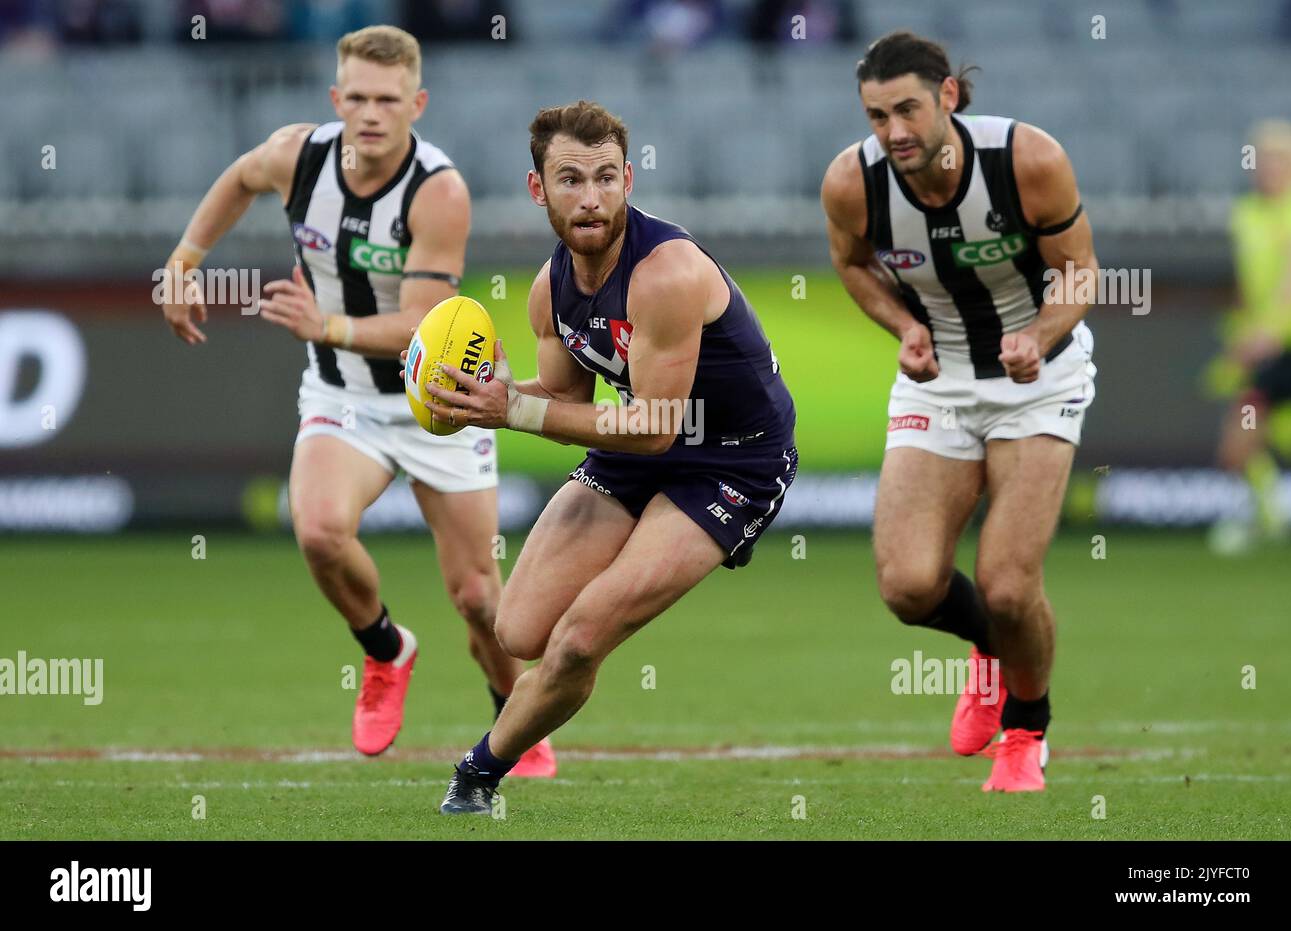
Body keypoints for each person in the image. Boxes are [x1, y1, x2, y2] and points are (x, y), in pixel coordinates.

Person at [160, 24, 554, 776]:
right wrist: (184, 258)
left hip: (439, 403)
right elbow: (239, 179)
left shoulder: (439, 192)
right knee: (317, 530)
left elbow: (418, 326)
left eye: (389, 100)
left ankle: (514, 718)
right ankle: (385, 649)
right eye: (359, 99)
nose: (372, 114)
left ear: (418, 103)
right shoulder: (297, 156)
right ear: (336, 99)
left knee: (478, 599)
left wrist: (327, 324)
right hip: (344, 397)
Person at [424, 100, 798, 814]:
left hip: (732, 462)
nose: (590, 197)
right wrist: (487, 396)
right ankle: (510, 738)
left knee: (575, 642)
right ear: (538, 189)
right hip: (635, 445)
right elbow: (564, 396)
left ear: (629, 178)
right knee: (517, 629)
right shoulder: (550, 288)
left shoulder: (667, 272)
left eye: (605, 178)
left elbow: (655, 423)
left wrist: (516, 411)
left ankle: (477, 773)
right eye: (569, 180)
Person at [821, 31, 1099, 792]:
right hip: (938, 380)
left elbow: (1080, 271)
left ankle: (1025, 729)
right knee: (909, 586)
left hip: (1038, 380)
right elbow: (850, 264)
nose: (894, 132)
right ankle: (989, 647)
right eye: (877, 116)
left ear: (947, 96)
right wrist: (904, 327)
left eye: (907, 108)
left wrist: (1040, 335)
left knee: (1009, 584)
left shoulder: (1027, 161)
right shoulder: (853, 183)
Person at [1207, 120, 1291, 554]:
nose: (1265, 169)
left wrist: (1270, 331)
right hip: (1273, 352)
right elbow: (1248, 285)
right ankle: (1270, 516)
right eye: (1259, 161)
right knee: (1239, 441)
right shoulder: (1245, 215)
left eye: (1276, 160)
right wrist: (1242, 334)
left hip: (1288, 342)